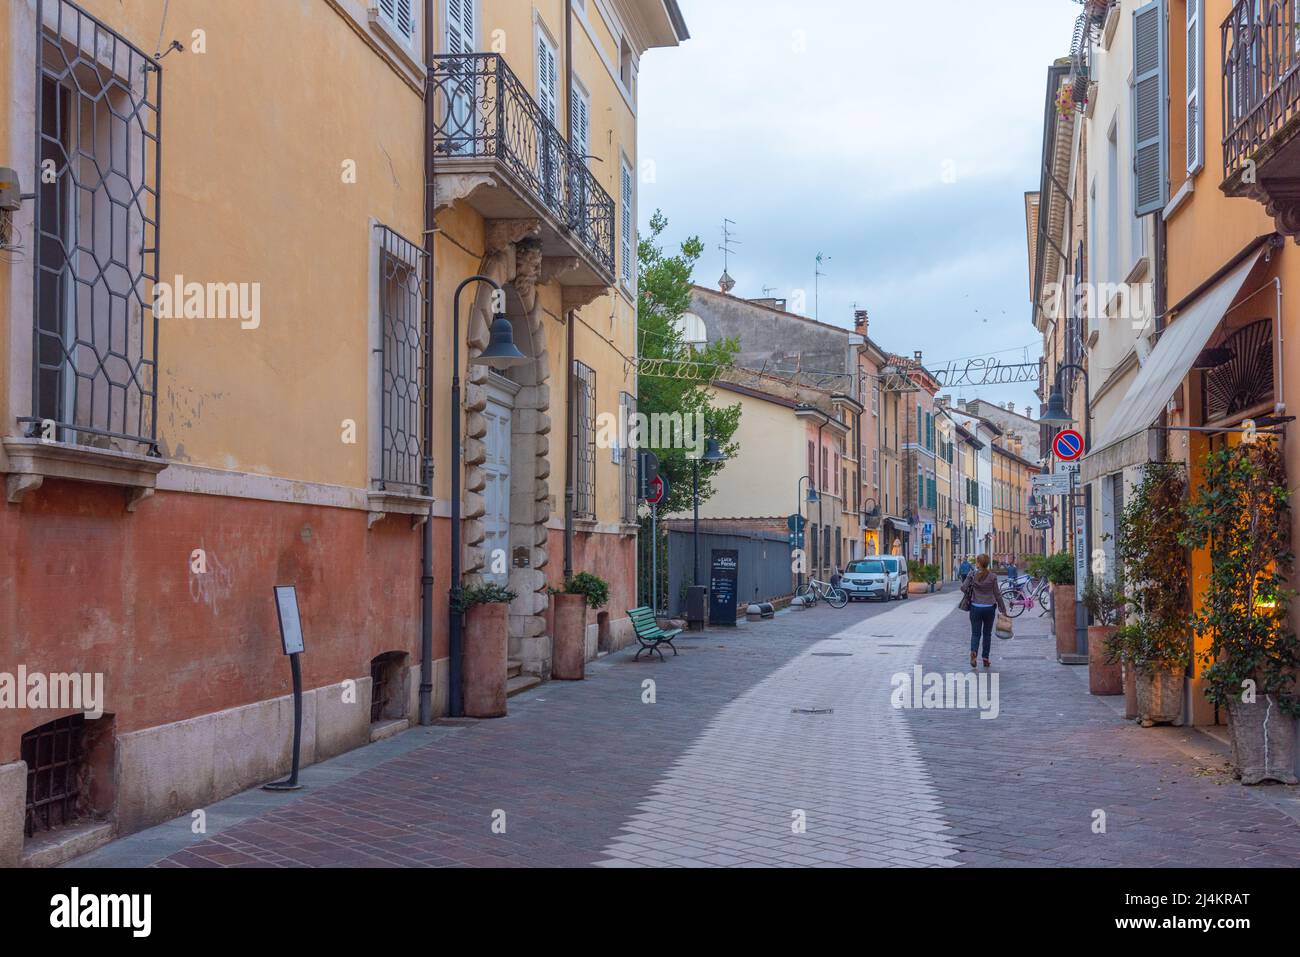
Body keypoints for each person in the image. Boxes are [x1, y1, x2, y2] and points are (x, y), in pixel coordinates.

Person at [961, 553, 1007, 669]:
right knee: (987, 634)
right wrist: (1003, 609)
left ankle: (974, 652)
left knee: (976, 633)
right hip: (989, 608)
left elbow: (963, 588)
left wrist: (970, 582)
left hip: (975, 607)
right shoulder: (992, 576)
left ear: (978, 563)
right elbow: (997, 594)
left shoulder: (972, 574)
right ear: (987, 563)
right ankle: (985, 658)